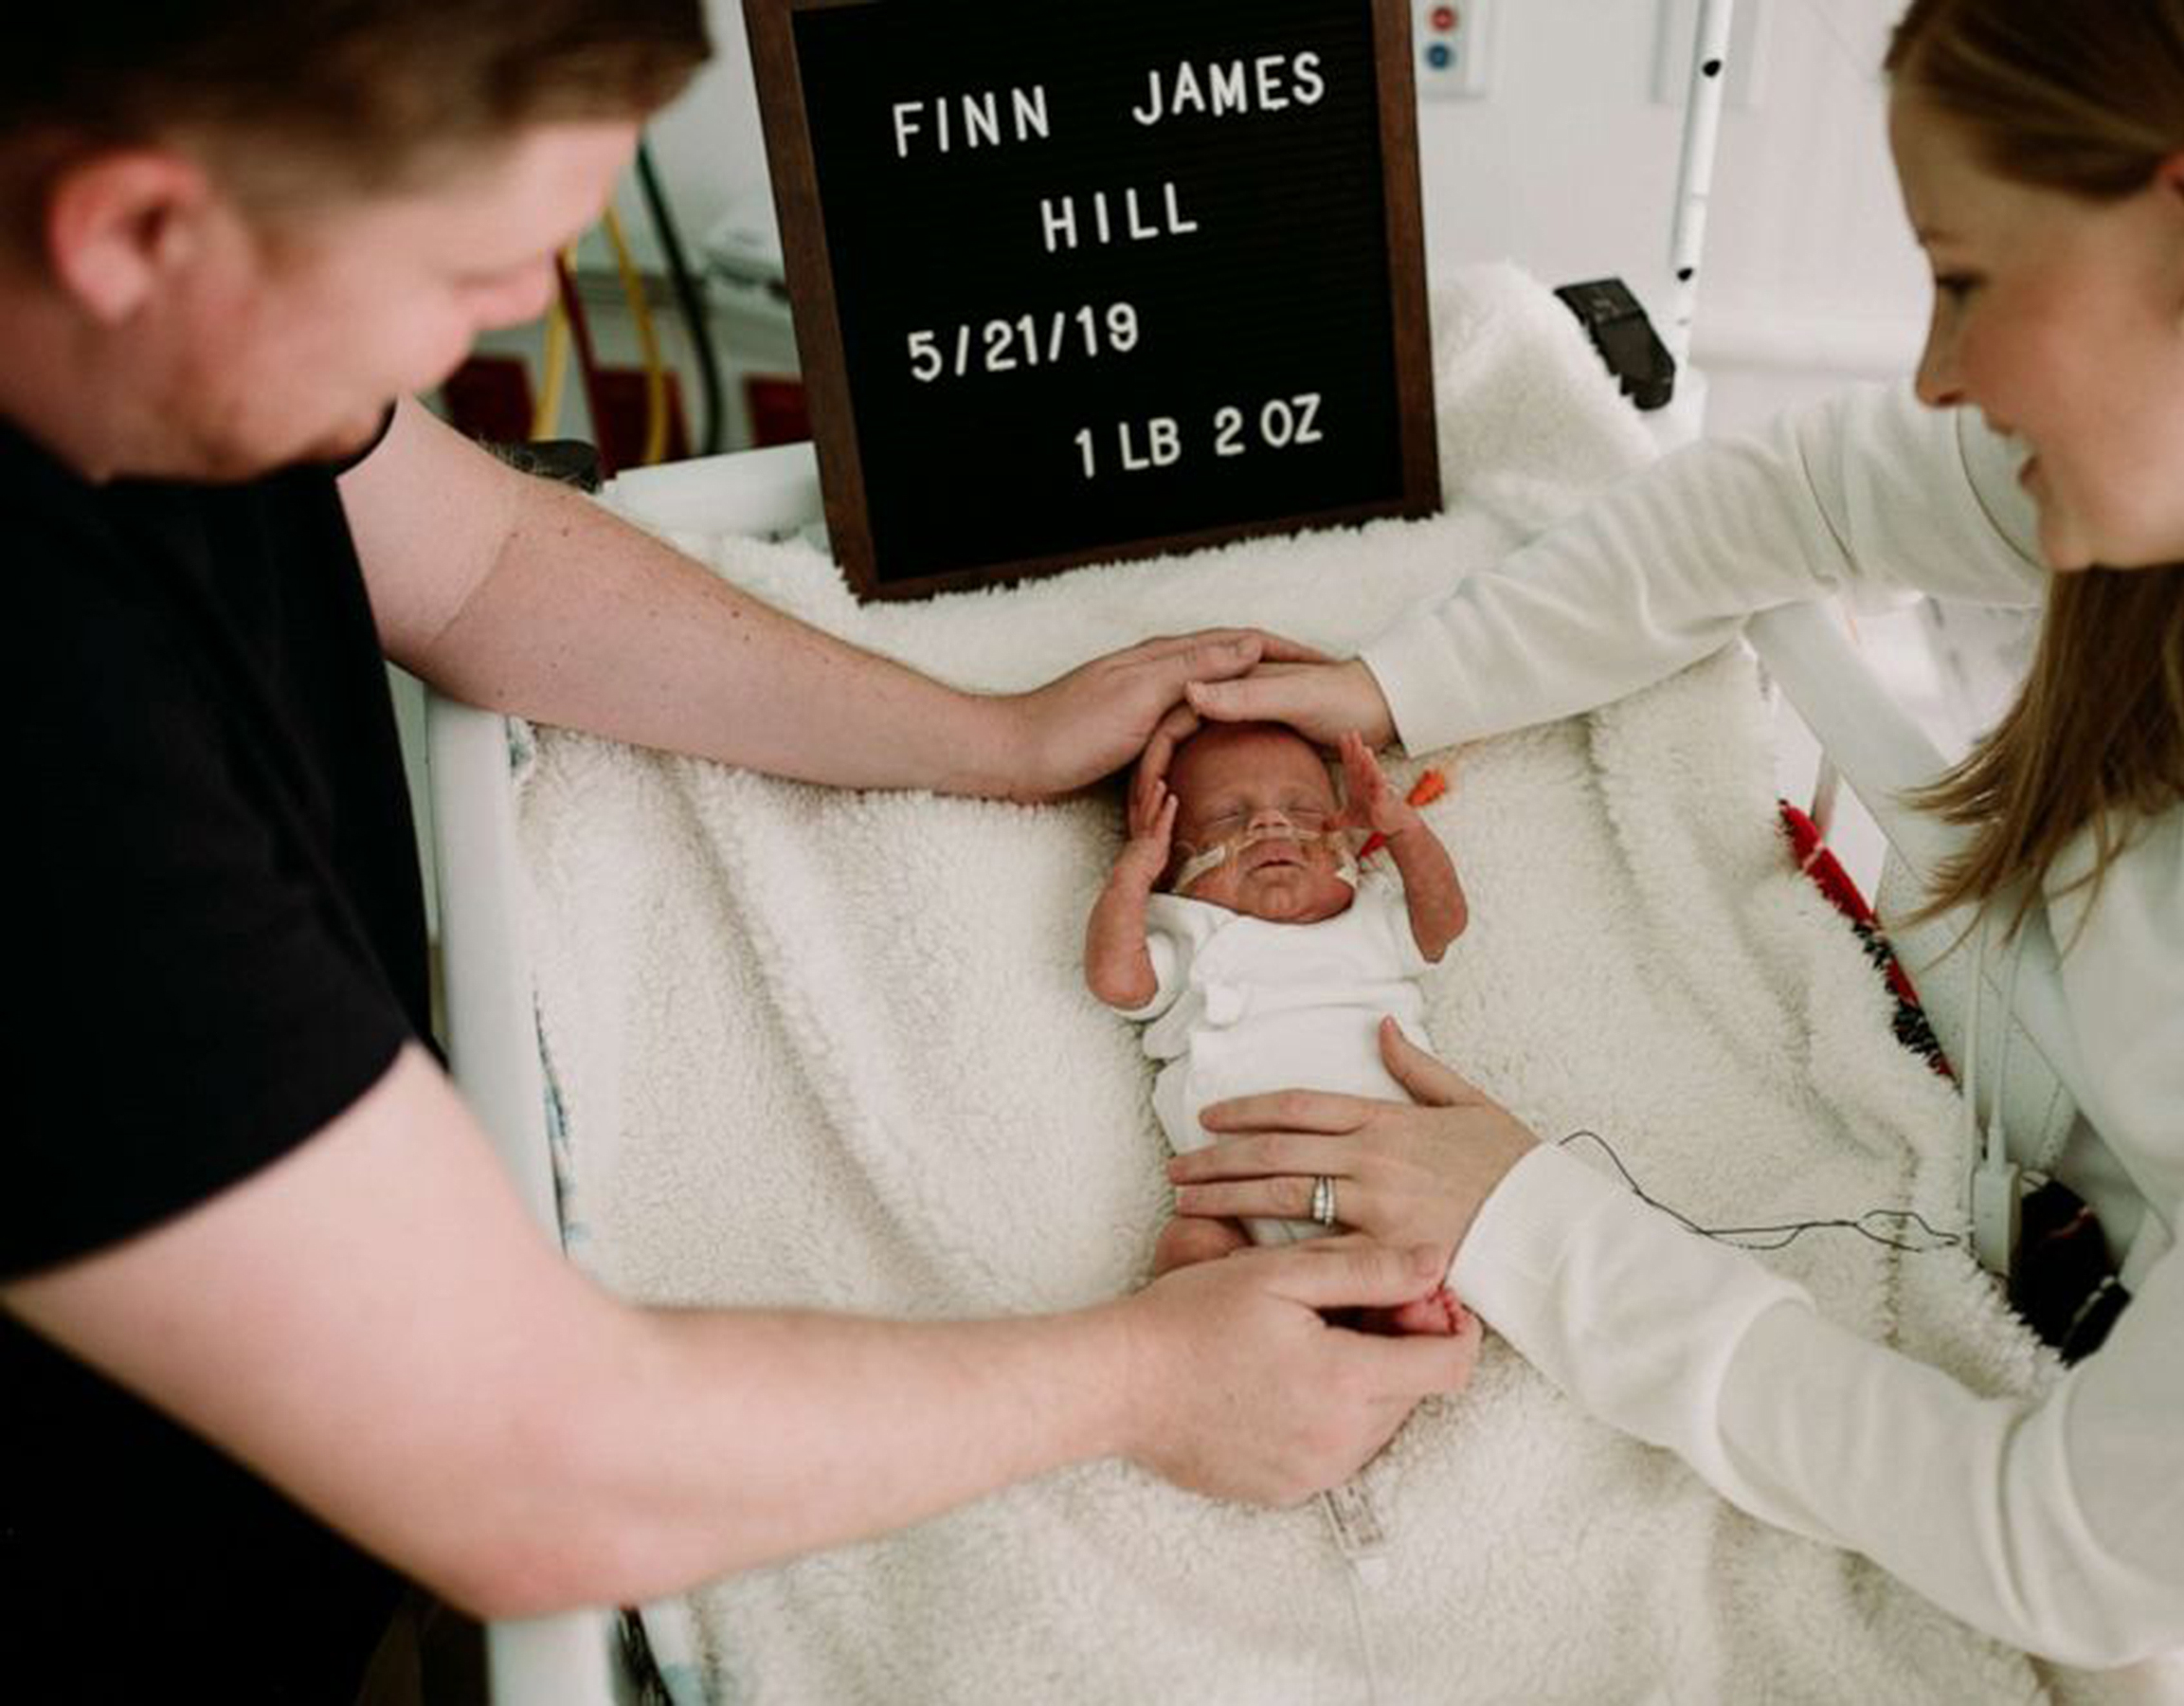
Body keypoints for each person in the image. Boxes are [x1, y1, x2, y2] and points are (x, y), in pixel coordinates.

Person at [0, 8, 1474, 1701]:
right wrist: (1148, 1380)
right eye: (470, 268)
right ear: (131, 231)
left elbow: (478, 568)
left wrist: (993, 740)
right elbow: (525, 1459)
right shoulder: (47, 738)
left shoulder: (175, 323)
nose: (521, 307)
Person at [1159, 0, 2184, 1673]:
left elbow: (2088, 1551)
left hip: (2131, 1478)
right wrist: (1394, 686)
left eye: (1964, 280)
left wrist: (1528, 1222)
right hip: (2006, 1192)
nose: (1938, 373)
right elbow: (1790, 497)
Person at [1088, 722, 1467, 1334]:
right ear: (1174, 866)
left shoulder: (1369, 919)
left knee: (1402, 1239)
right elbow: (1115, 981)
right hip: (1240, 1205)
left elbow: (1445, 921)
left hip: (1382, 1169)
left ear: (1347, 844)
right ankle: (1215, 1341)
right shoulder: (1188, 929)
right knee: (1191, 1245)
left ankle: (1385, 1313)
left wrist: (1404, 830)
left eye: (1303, 810)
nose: (1269, 825)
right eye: (1226, 818)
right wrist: (1130, 877)